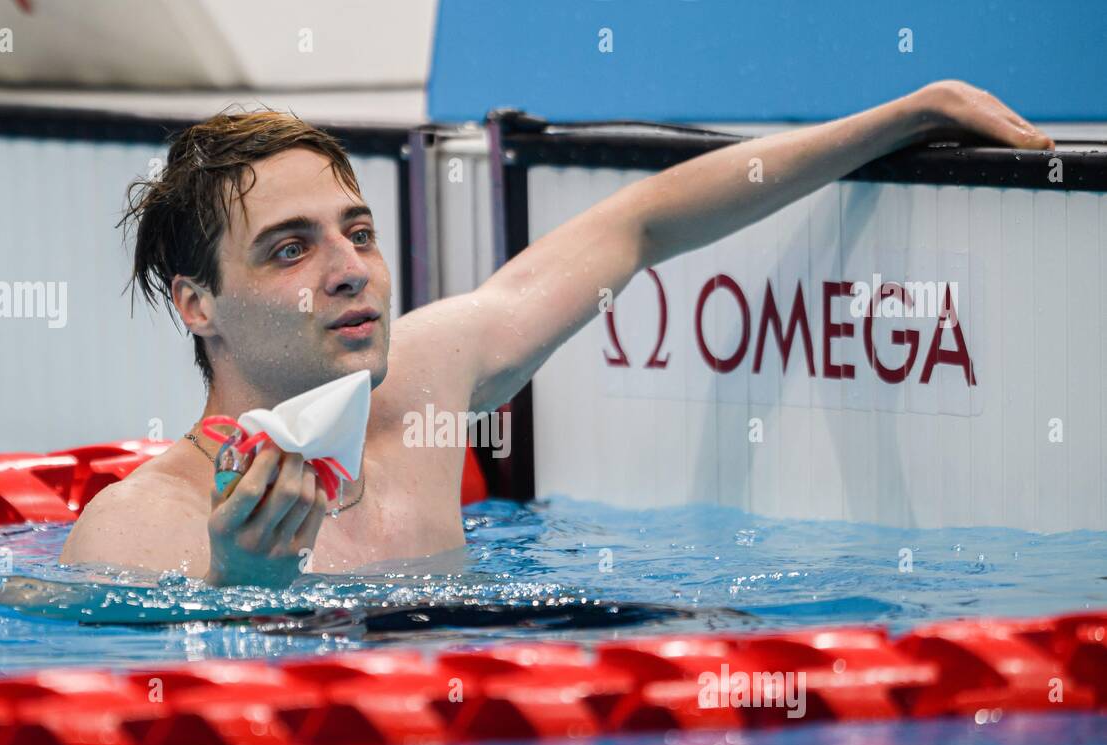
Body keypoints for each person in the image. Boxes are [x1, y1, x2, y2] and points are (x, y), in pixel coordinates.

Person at [59, 81, 1052, 588]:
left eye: (357, 231)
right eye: (288, 249)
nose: (349, 267)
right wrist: (244, 595)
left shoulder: (428, 379)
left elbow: (639, 224)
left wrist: (912, 111)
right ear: (198, 304)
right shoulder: (139, 526)